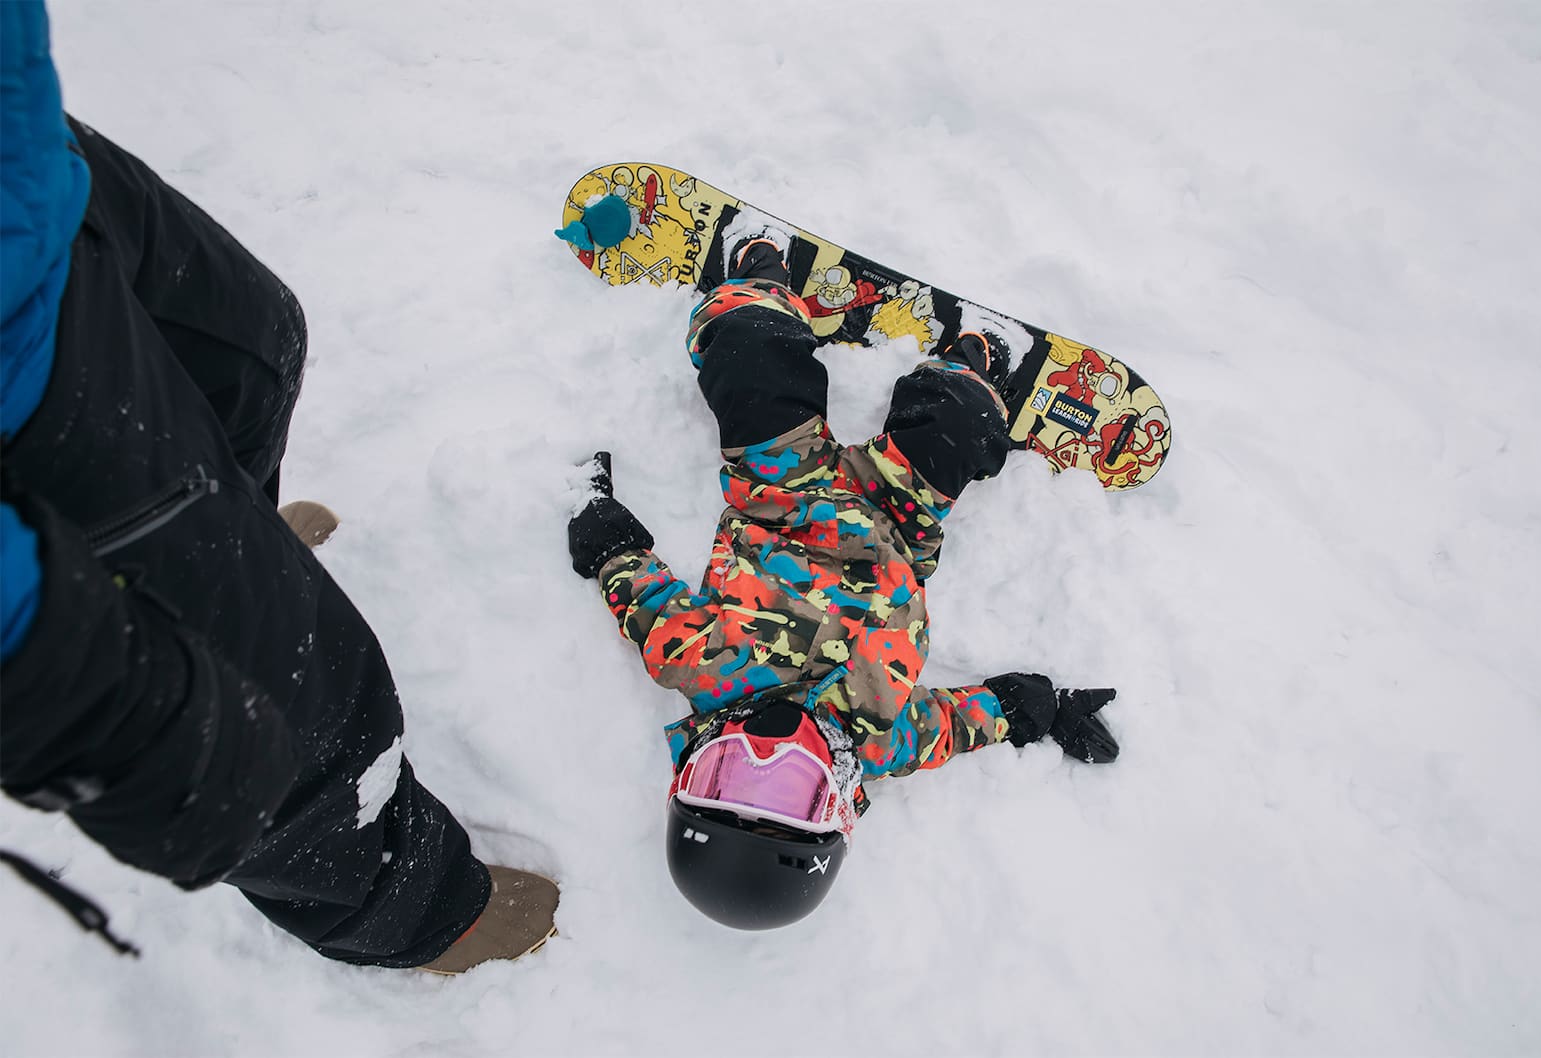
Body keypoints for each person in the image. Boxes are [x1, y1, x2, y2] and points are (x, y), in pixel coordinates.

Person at [0, 1, 553, 972]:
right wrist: (55, 669)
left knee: (252, 347)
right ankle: (408, 906)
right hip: (24, 397)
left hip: (34, 172)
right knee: (289, 704)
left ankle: (223, 538)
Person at [567, 223, 1121, 929]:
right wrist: (1035, 709)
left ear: (693, 770)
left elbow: (640, 596)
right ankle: (973, 360)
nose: (773, 746)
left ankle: (758, 276)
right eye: (791, 785)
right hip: (897, 524)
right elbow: (960, 724)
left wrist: (604, 534)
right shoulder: (882, 738)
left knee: (751, 361)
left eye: (733, 772)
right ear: (834, 804)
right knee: (958, 428)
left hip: (783, 494)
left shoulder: (701, 666)